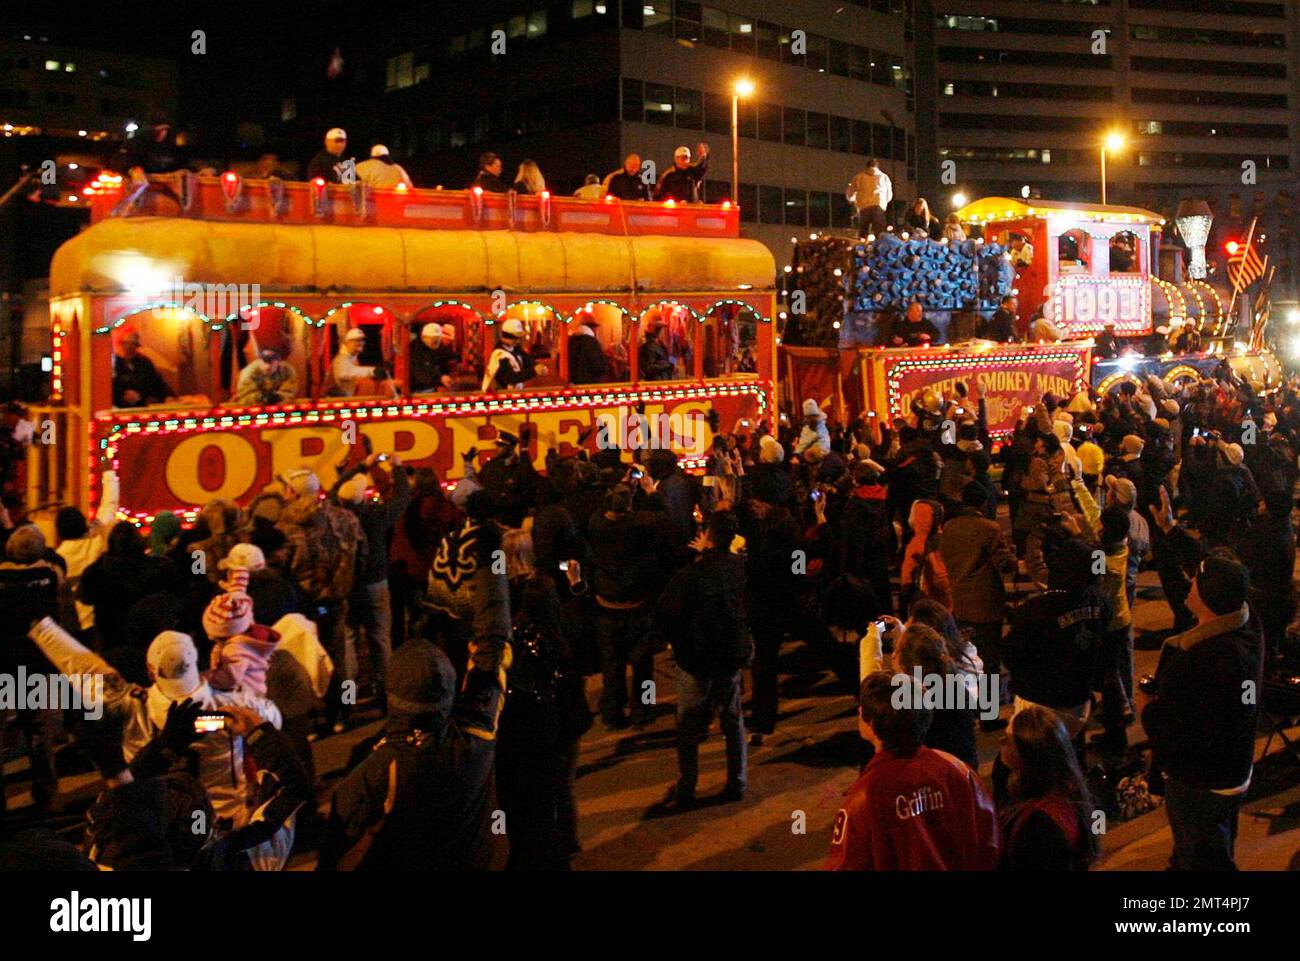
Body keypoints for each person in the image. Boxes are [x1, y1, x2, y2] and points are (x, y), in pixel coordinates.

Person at [27, 618, 292, 868]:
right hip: (223, 829)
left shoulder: (130, 706)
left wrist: (43, 628)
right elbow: (274, 724)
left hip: (152, 828)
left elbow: (83, 667)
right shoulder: (237, 709)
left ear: (151, 671)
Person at [317, 557, 511, 871]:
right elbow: (493, 649)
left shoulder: (376, 768)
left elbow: (336, 855)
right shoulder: (475, 735)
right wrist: (493, 570)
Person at [1142, 551, 1261, 870]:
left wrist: (1147, 710)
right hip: (1233, 767)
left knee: (1204, 854)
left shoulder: (1203, 660)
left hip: (1202, 783)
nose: (1190, 584)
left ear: (1207, 597)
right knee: (1213, 838)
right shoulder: (1248, 629)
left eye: (1196, 580)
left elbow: (1184, 737)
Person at [827, 671, 999, 870]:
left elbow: (846, 864)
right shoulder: (957, 770)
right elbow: (988, 842)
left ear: (870, 722)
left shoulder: (863, 797)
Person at [276, 468, 366, 734]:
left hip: (303, 605)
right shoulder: (345, 517)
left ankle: (315, 716)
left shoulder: (285, 526)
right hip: (338, 599)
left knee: (307, 660)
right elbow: (362, 554)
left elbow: (281, 567)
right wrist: (345, 584)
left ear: (294, 492)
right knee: (340, 657)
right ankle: (344, 711)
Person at [333, 453, 412, 714]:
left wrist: (360, 466)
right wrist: (397, 469)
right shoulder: (375, 515)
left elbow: (334, 490)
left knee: (348, 641)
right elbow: (402, 498)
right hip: (375, 583)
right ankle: (388, 697)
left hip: (346, 586)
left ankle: (347, 700)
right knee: (380, 639)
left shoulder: (334, 515)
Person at [588, 478, 667, 728]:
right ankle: (643, 709)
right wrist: (651, 493)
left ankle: (612, 712)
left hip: (607, 606)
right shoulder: (638, 525)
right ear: (629, 507)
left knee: (612, 665)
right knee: (643, 665)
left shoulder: (596, 525)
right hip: (637, 606)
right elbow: (663, 517)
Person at [0, 525, 64, 814]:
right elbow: (52, 563)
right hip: (39, 663)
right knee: (39, 731)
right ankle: (46, 792)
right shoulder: (49, 577)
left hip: (5, 664)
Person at [997, 705, 1098, 870]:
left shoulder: (1038, 822)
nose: (1000, 743)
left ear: (1028, 753)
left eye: (1007, 740)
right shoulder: (1070, 794)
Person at [939, 481, 1015, 690]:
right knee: (989, 660)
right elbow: (1005, 563)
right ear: (983, 503)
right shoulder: (989, 529)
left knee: (964, 658)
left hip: (957, 600)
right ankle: (987, 711)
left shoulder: (950, 527)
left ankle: (967, 707)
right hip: (985, 602)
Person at [112, 330, 174, 407]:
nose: (132, 347)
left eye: (135, 344)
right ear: (121, 343)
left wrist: (168, 396)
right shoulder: (112, 363)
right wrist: (122, 394)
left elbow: (157, 381)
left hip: (141, 407)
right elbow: (108, 387)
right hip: (118, 408)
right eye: (129, 344)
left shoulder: (144, 362)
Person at [482, 318, 538, 392]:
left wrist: (536, 365)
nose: (518, 341)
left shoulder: (515, 349)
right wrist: (534, 371)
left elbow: (527, 360)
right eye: (515, 338)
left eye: (519, 338)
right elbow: (510, 378)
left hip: (514, 392)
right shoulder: (500, 355)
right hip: (501, 395)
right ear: (506, 337)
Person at [846, 158, 893, 237]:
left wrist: (852, 199)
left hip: (864, 207)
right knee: (879, 233)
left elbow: (850, 192)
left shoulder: (859, 177)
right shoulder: (884, 177)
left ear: (866, 166)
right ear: (878, 167)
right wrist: (884, 201)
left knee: (863, 231)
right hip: (879, 205)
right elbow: (889, 195)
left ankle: (862, 247)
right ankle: (878, 247)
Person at [567, 308, 608, 384]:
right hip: (589, 384)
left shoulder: (570, 341)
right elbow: (598, 366)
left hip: (571, 385)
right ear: (592, 327)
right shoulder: (592, 343)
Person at [331, 328, 376, 396]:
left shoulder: (353, 358)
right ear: (347, 342)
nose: (361, 343)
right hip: (339, 401)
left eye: (362, 340)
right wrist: (372, 371)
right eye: (357, 340)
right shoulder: (340, 359)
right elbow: (344, 373)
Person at [409, 323, 453, 393]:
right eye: (434, 339)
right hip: (417, 392)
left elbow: (442, 366)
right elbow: (422, 376)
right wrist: (440, 378)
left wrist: (444, 376)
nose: (436, 341)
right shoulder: (415, 351)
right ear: (424, 338)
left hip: (432, 390)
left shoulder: (437, 350)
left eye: (438, 339)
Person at [637, 309, 675, 381]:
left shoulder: (658, 341)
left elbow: (667, 356)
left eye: (660, 328)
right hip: (654, 381)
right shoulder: (646, 344)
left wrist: (674, 362)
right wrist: (668, 365)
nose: (659, 330)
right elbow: (649, 367)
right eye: (657, 328)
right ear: (650, 327)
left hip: (664, 379)